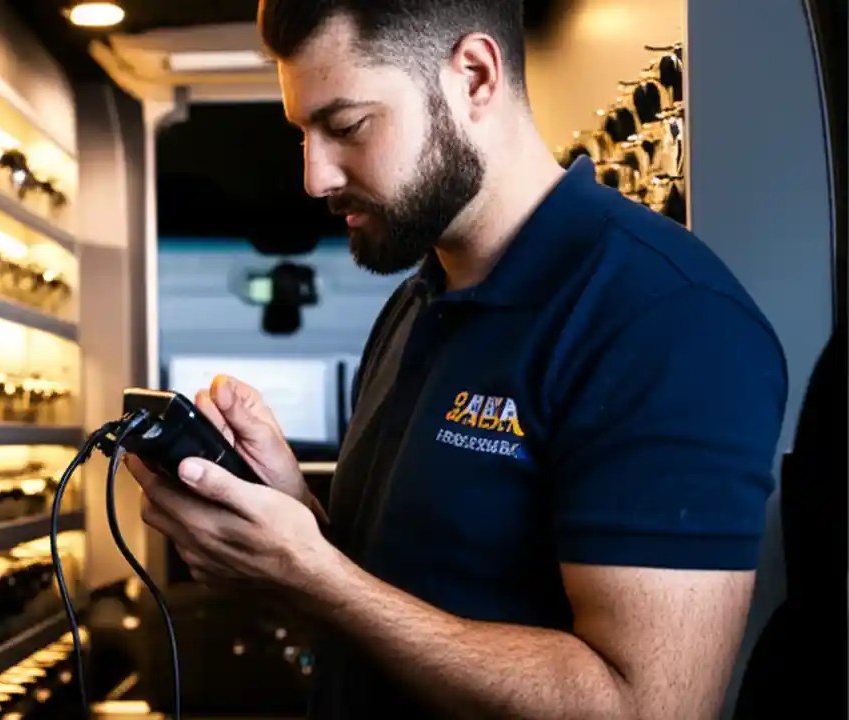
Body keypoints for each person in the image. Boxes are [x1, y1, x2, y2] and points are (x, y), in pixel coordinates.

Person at [126, 1, 789, 718]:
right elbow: (410, 590)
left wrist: (316, 577)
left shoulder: (668, 317)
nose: (315, 177)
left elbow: (646, 707)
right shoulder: (416, 300)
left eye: (346, 126)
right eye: (302, 133)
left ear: (474, 76)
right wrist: (295, 523)